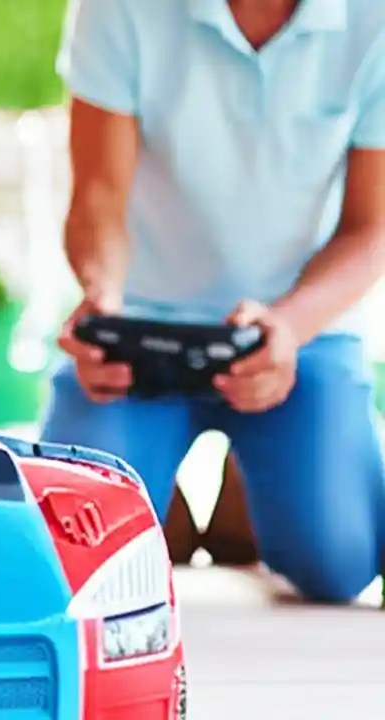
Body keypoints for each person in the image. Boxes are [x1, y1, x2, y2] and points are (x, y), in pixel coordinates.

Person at [44, 0, 385, 603]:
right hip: (142, 332)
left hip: (297, 335)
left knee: (341, 565)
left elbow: (371, 228)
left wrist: (289, 325)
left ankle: (244, 489)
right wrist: (103, 299)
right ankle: (163, 495)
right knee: (69, 557)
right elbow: (98, 193)